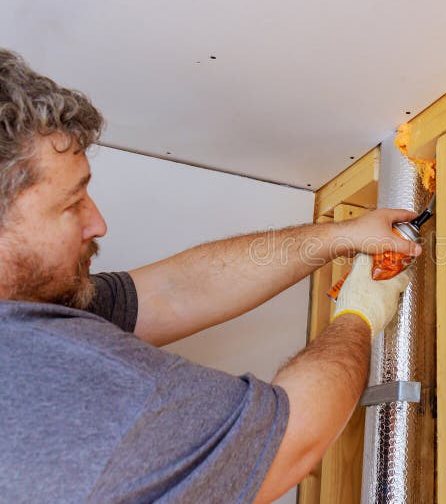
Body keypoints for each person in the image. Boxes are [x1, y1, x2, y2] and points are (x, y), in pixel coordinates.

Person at [0, 49, 420, 502]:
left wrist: (339, 236)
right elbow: (291, 439)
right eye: (70, 203)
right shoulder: (52, 378)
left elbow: (171, 293)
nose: (97, 223)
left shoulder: (34, 307)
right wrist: (359, 313)